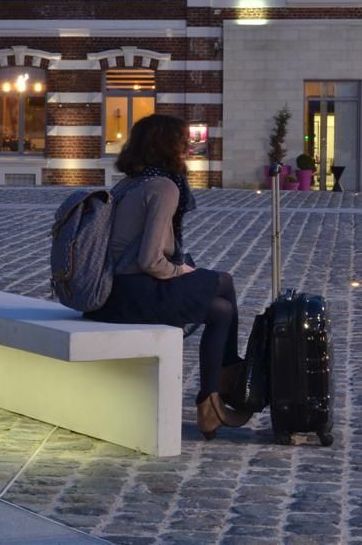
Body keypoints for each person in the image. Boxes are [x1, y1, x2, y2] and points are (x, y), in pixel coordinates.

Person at [84, 113, 251, 440]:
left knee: (221, 299)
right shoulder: (163, 187)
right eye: (182, 140)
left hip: (113, 291)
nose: (188, 145)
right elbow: (150, 260)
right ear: (168, 145)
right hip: (131, 291)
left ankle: (216, 394)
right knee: (222, 295)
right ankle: (218, 388)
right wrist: (181, 271)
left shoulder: (133, 182)